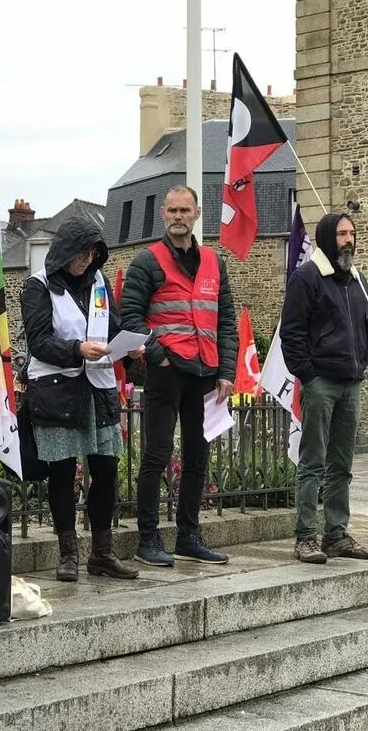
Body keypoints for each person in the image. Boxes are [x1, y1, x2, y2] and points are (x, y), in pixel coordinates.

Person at [120, 185, 236, 567]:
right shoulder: (147, 261)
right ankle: (148, 539)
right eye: (172, 210)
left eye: (185, 210)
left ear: (197, 214)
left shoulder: (214, 262)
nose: (178, 217)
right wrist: (159, 356)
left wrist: (226, 372)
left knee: (198, 457)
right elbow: (130, 317)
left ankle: (189, 536)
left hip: (205, 374)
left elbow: (226, 320)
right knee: (156, 455)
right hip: (167, 373)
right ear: (163, 215)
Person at [20, 217, 141, 582]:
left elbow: (113, 327)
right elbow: (39, 341)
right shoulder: (38, 286)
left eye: (92, 254)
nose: (86, 260)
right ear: (64, 251)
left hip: (98, 388)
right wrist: (76, 349)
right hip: (57, 390)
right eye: (81, 253)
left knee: (106, 471)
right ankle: (68, 554)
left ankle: (102, 554)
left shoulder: (99, 282)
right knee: (62, 473)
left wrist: (131, 347)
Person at [279, 212, 368, 564]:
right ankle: (305, 536)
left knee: (342, 464)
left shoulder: (358, 279)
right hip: (321, 383)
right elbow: (292, 334)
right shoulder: (307, 277)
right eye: (342, 234)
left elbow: (364, 332)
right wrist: (309, 376)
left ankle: (336, 534)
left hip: (351, 382)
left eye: (352, 234)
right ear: (329, 237)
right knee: (313, 462)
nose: (349, 240)